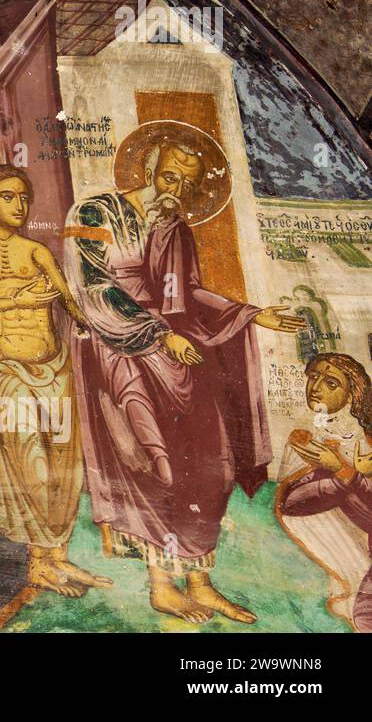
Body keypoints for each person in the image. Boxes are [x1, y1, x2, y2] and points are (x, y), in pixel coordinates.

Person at [63, 137, 304, 623]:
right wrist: (156, 333)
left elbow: (187, 292)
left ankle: (201, 580)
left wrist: (252, 315)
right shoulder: (93, 213)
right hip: (120, 348)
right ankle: (162, 586)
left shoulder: (174, 226)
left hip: (178, 348)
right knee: (157, 464)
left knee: (211, 464)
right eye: (168, 175)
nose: (174, 189)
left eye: (186, 185)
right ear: (147, 166)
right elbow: (93, 288)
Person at [0, 164, 109, 597]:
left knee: (63, 467)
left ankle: (59, 558)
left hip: (54, 368)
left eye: (23, 197)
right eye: (8, 197)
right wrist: (11, 300)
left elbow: (67, 299)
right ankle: (39, 564)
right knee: (30, 464)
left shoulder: (37, 252)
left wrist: (89, 328)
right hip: (2, 370)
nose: (19, 205)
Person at [278, 353, 372, 632]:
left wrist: (345, 470)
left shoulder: (361, 435)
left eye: (331, 383)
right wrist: (344, 471)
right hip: (316, 513)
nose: (316, 387)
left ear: (352, 395)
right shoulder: (306, 430)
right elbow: (291, 501)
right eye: (314, 377)